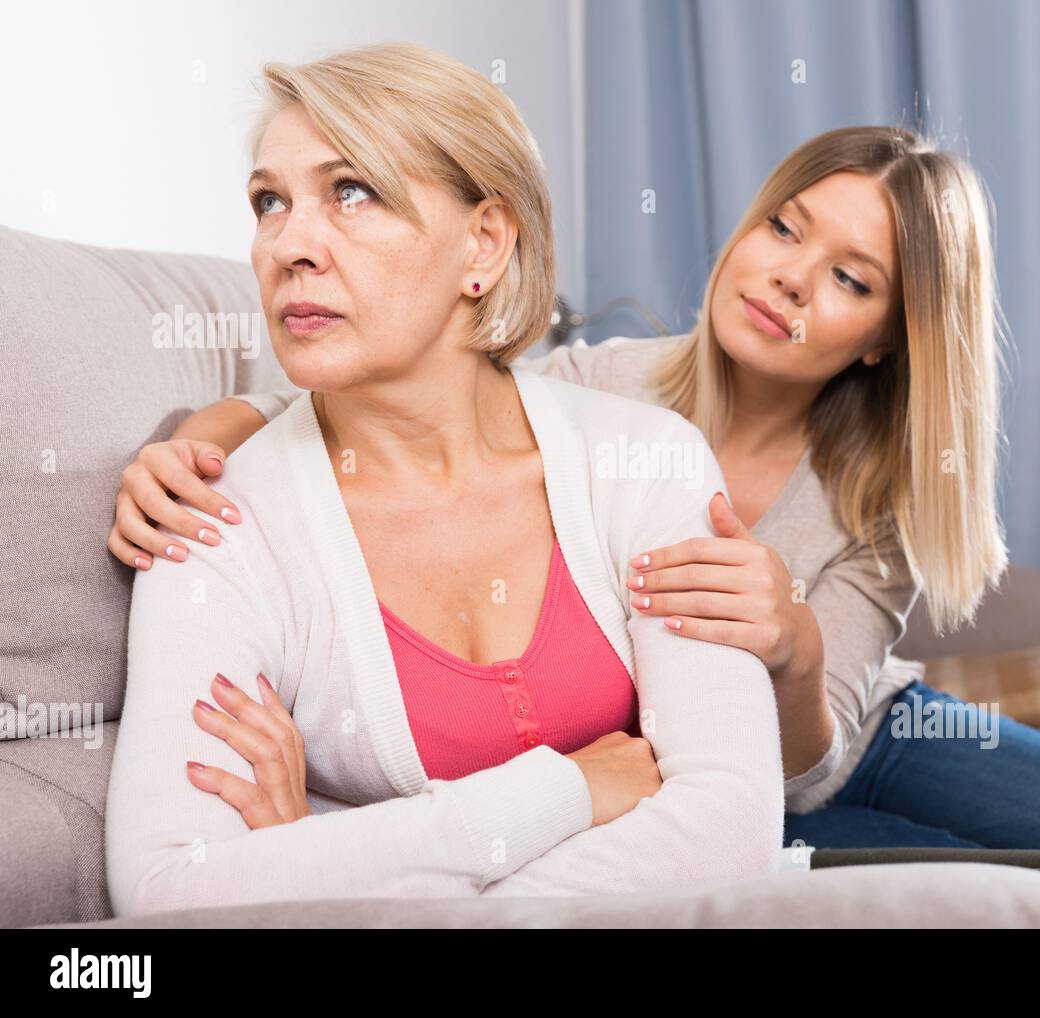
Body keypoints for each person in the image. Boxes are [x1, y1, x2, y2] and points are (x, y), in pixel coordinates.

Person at [107, 95, 1040, 907]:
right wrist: (207, 431)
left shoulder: (880, 489)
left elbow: (803, 773)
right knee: (1029, 895)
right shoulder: (592, 388)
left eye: (849, 279)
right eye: (782, 226)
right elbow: (399, 409)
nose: (785, 278)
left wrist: (796, 648)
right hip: (682, 775)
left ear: (885, 340)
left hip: (838, 744)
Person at [103, 42, 789, 917]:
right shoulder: (208, 520)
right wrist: (563, 792)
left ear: (486, 242)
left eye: (351, 191)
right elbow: (170, 894)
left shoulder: (644, 462)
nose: (289, 245)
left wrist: (321, 859)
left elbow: (729, 835)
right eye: (269, 202)